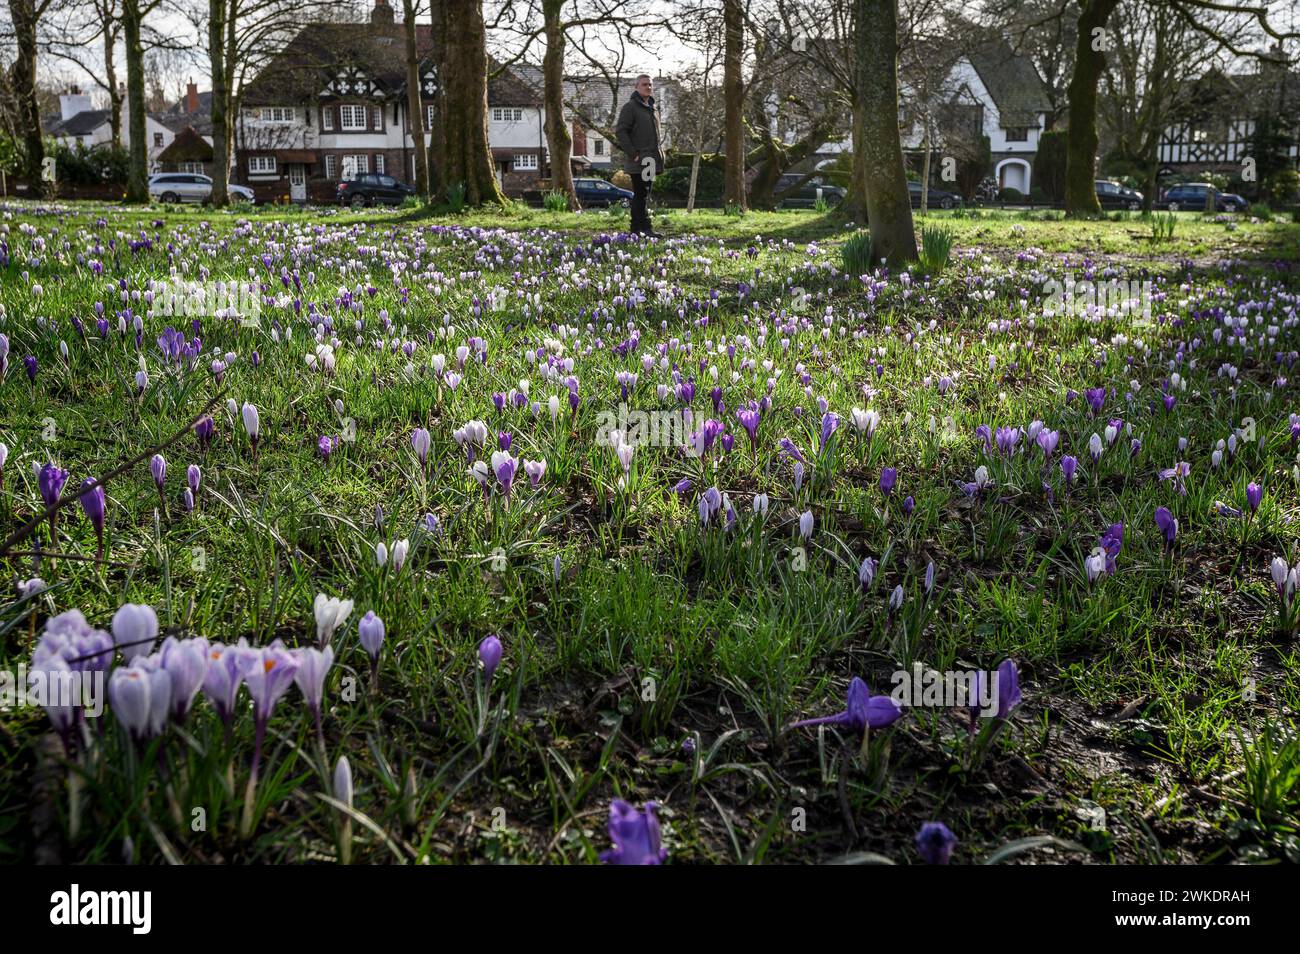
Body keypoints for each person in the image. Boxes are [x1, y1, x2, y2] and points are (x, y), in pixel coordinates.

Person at [615, 74, 663, 237]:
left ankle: (637, 229)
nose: (648, 87)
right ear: (636, 87)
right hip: (639, 159)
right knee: (641, 193)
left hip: (651, 160)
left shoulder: (653, 107)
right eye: (644, 85)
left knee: (644, 193)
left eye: (650, 85)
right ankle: (644, 228)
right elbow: (621, 131)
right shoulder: (631, 107)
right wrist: (633, 154)